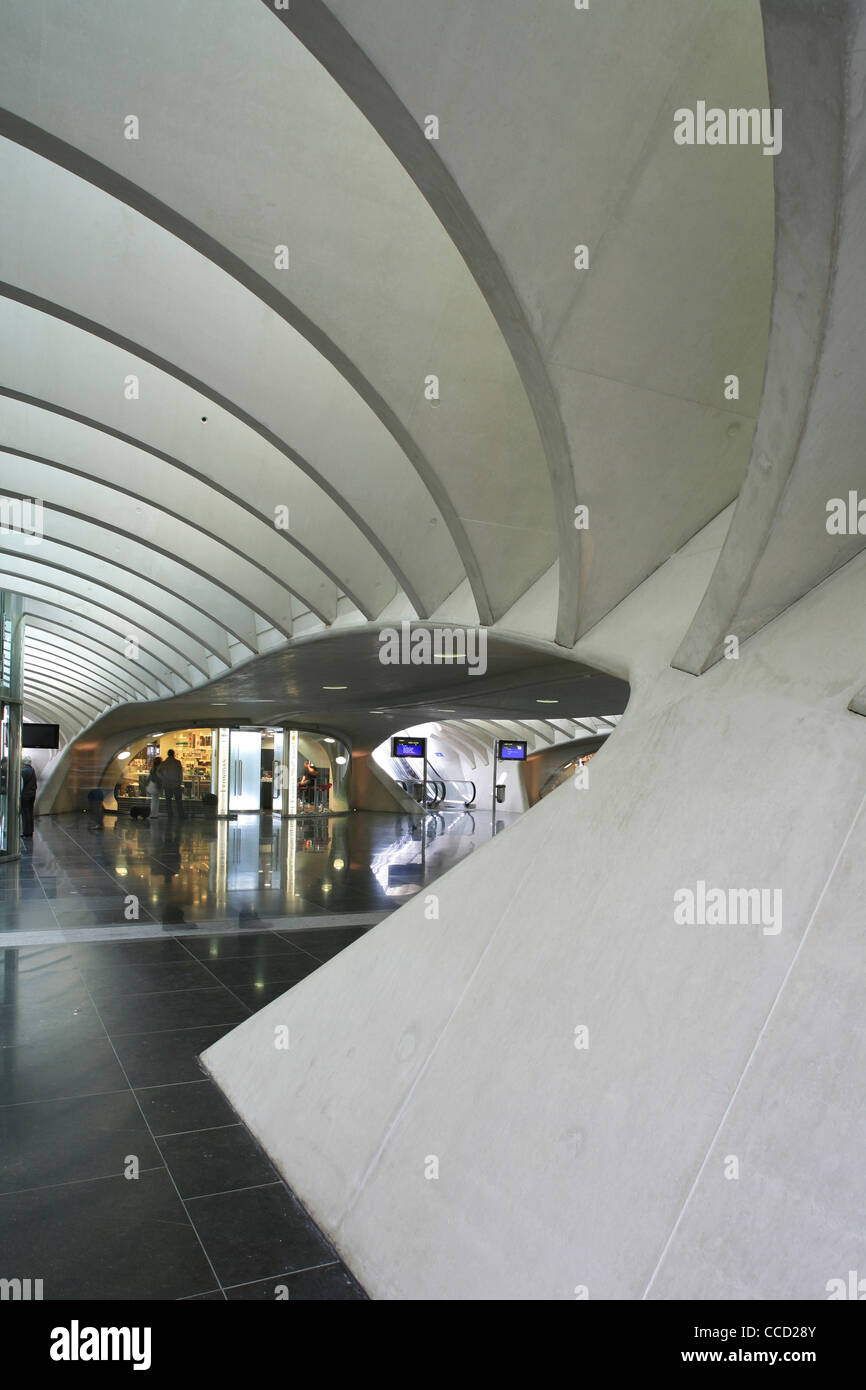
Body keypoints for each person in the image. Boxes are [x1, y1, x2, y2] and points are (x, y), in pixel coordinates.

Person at [159, 748, 185, 819]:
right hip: (176, 784)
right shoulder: (177, 762)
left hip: (167, 784)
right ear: (173, 754)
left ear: (168, 754)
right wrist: (180, 781)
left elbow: (159, 773)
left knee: (168, 801)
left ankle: (170, 815)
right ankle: (181, 815)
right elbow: (180, 773)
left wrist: (163, 780)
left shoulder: (163, 763)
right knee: (179, 801)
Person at [21, 755, 37, 838]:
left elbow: (21, 785)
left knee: (25, 813)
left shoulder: (24, 771)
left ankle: (26, 832)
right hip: (32, 795)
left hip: (25, 796)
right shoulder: (32, 770)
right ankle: (30, 831)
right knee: (30, 813)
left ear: (23, 762)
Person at [145, 755, 162, 820]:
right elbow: (156, 778)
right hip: (155, 785)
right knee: (155, 800)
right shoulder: (157, 769)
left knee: (154, 800)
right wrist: (159, 785)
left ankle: (153, 814)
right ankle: (154, 814)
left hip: (152, 785)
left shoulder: (153, 768)